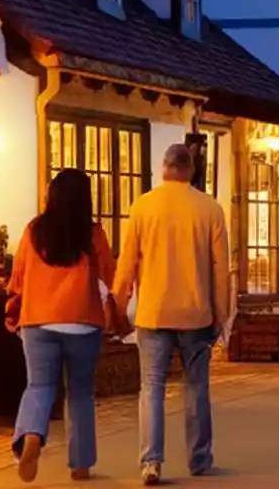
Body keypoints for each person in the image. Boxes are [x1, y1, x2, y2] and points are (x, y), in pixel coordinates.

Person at [113, 144, 231, 485]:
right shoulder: (209, 209)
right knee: (196, 387)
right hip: (196, 313)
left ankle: (151, 462)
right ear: (191, 170)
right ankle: (199, 459)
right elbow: (220, 268)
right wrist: (221, 314)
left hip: (153, 312)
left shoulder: (142, 207)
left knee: (151, 387)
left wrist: (119, 304)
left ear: (163, 168)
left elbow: (127, 263)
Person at [8, 168, 116, 483]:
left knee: (39, 386)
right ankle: (80, 465)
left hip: (38, 322)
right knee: (80, 392)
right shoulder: (92, 232)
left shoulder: (34, 230)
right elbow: (110, 275)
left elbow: (18, 277)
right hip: (82, 322)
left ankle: (31, 435)